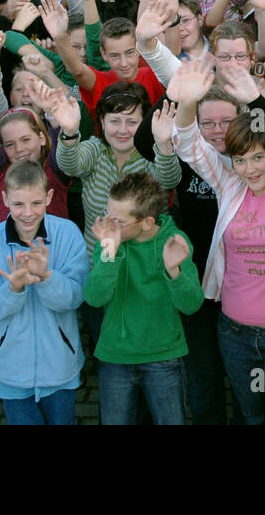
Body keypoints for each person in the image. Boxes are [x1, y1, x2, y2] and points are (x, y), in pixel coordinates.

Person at [170, 43, 265, 425]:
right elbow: (189, 144)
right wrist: (188, 104)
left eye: (258, 158)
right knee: (251, 419)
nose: (249, 169)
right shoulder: (228, 184)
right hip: (236, 336)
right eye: (240, 159)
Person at [0, 160, 89, 425]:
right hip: (12, 372)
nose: (27, 213)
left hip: (61, 370)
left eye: (36, 203)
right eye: (18, 204)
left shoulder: (68, 234)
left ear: (49, 196)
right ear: (4, 199)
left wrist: (47, 278)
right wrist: (13, 289)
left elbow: (75, 297)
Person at [84, 169, 203, 425]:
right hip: (115, 356)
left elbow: (192, 304)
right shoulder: (109, 240)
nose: (108, 224)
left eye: (118, 221)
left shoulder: (175, 241)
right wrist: (109, 254)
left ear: (148, 222)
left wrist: (174, 272)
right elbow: (94, 298)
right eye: (107, 214)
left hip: (164, 357)